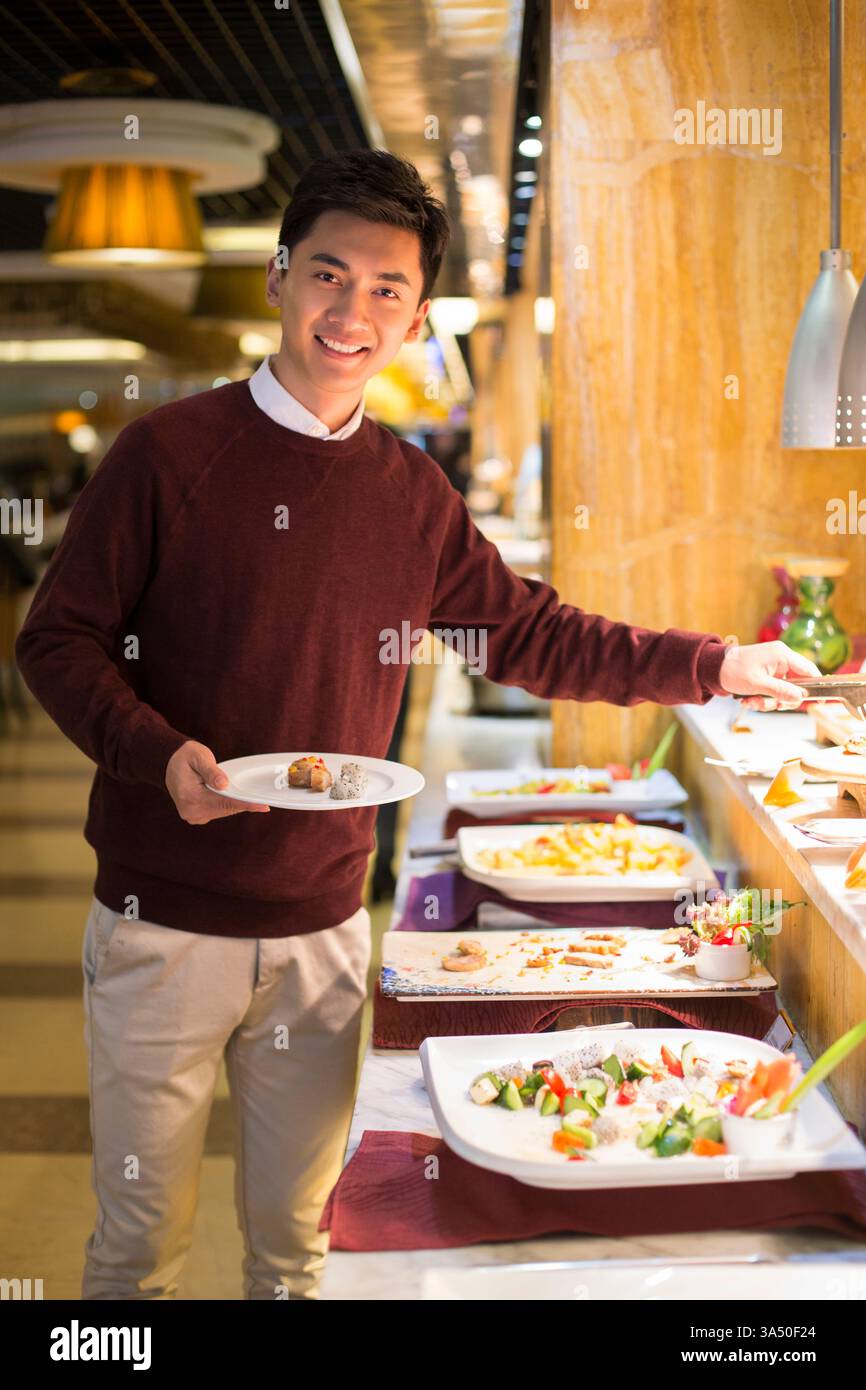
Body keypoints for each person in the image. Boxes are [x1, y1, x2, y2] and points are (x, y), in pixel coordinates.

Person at [14, 149, 819, 1301]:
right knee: (136, 1249)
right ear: (279, 278)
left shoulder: (411, 493)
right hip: (161, 922)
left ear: (417, 315)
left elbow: (532, 638)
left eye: (386, 290)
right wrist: (160, 757)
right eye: (329, 276)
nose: (353, 312)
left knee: (295, 1248)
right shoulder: (168, 455)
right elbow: (57, 640)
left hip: (328, 924)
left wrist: (717, 662)